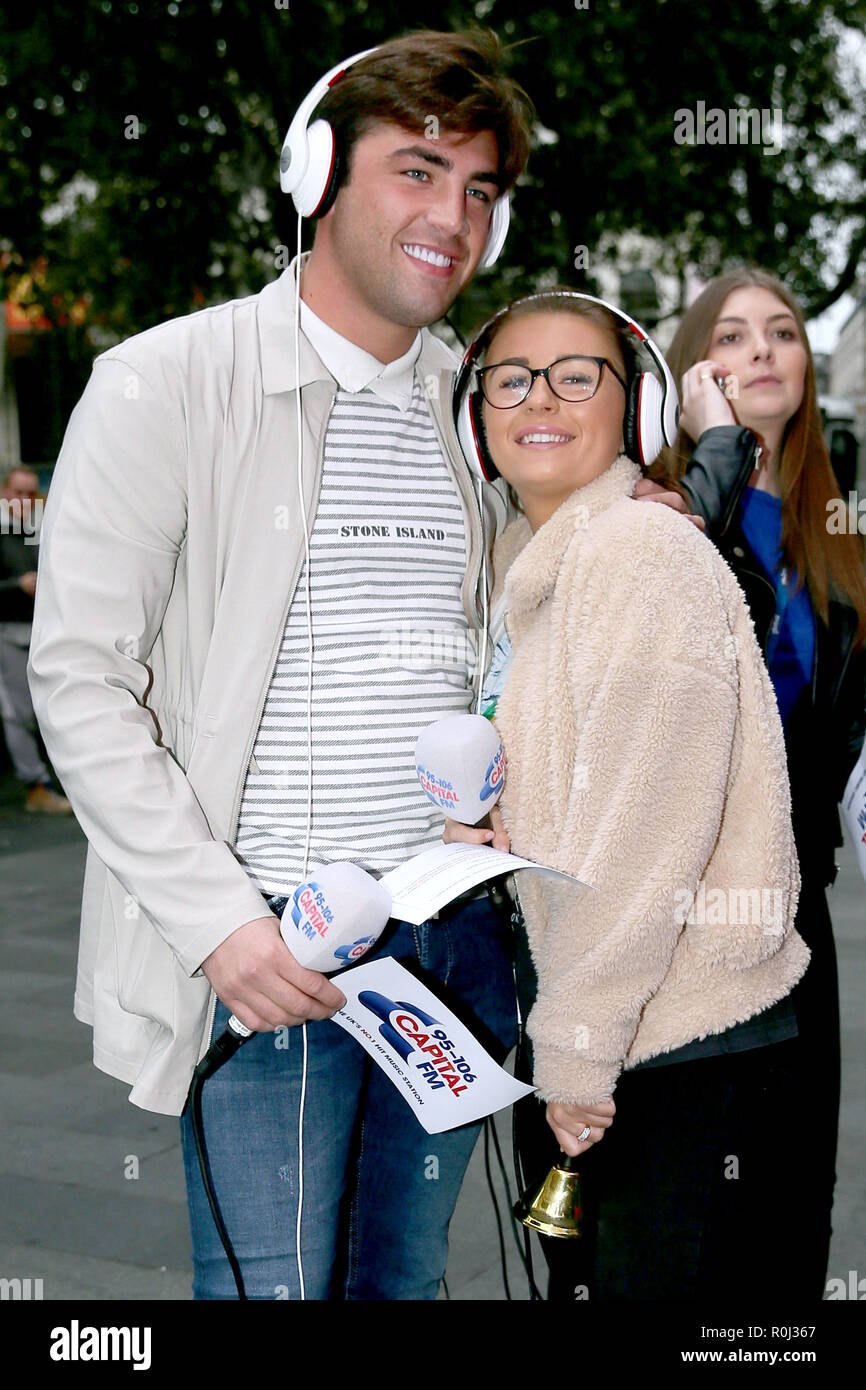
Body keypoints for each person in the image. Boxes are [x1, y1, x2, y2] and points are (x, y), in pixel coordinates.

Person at [27, 30, 737, 1302]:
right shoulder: (161, 385)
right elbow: (80, 681)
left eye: (476, 191)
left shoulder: (476, 398)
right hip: (268, 951)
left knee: (404, 1282)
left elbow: (548, 591)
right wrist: (217, 926)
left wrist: (643, 504)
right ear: (316, 177)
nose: (449, 217)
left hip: (448, 943)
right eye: (415, 171)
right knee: (272, 1291)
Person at [448, 288, 813, 1301]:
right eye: (511, 378)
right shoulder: (537, 563)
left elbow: (648, 834)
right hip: (609, 1025)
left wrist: (569, 1055)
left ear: (638, 411)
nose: (540, 399)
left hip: (664, 1039)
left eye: (576, 375)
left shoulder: (638, 552)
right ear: (476, 416)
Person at [651, 268, 866, 1294]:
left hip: (797, 907)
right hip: (678, 912)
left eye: (781, 332)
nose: (764, 349)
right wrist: (716, 459)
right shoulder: (659, 511)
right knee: (689, 1223)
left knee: (790, 1212)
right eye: (731, 337)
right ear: (694, 369)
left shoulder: (838, 541)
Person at [0, 465, 72, 814]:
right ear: (4, 493)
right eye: (19, 492)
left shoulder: (34, 525)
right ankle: (36, 786)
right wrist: (18, 585)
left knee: (56, 706)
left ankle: (55, 780)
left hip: (44, 629)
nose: (26, 500)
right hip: (8, 630)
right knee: (19, 712)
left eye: (32, 493)